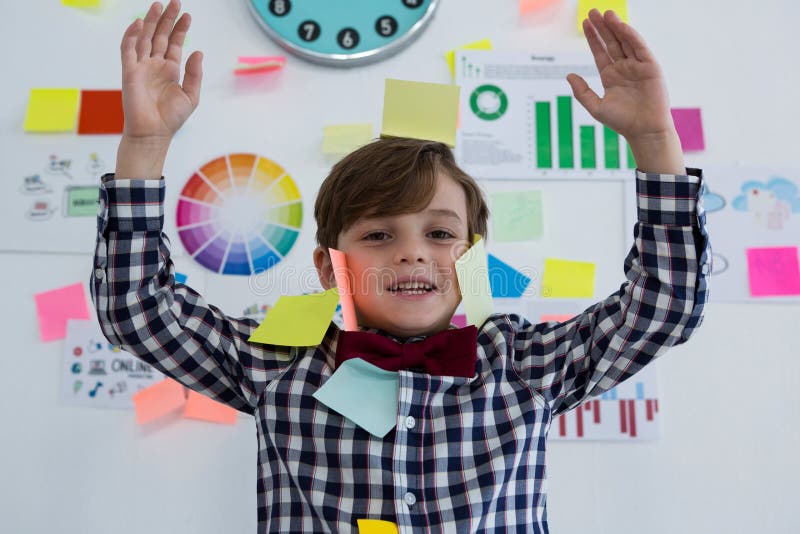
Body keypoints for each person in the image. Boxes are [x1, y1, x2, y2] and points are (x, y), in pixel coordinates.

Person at [91, 1, 710, 532]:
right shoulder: (277, 363)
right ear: (329, 268)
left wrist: (655, 141)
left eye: (439, 233)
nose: (413, 252)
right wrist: (145, 146)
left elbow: (664, 306)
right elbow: (137, 310)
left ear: (472, 259)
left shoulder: (524, 364)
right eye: (379, 234)